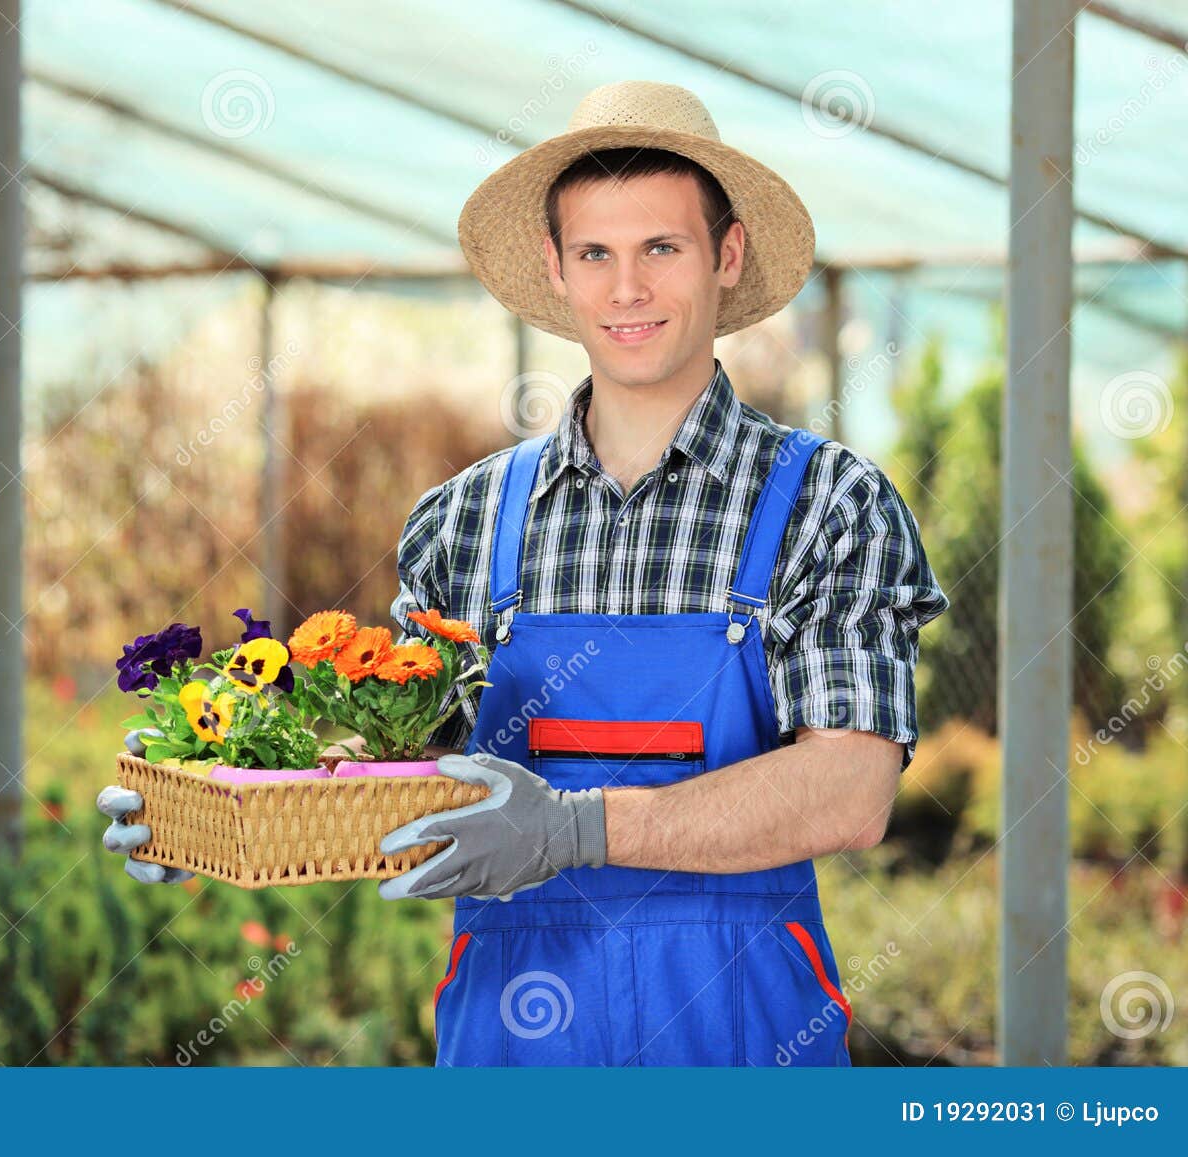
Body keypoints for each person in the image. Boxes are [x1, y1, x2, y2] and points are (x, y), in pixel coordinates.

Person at [100, 80, 949, 1067]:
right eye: (595, 253)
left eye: (659, 249)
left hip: (742, 1034)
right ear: (554, 269)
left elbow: (848, 792)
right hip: (514, 1040)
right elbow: (405, 786)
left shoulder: (826, 503)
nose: (625, 290)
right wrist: (216, 803)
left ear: (725, 255)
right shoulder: (463, 523)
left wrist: (571, 829)